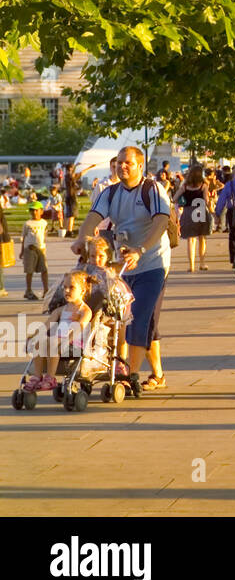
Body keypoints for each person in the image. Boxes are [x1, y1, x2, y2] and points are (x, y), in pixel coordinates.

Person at [72, 145, 172, 396]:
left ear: (140, 166)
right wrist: (81, 238)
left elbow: (162, 222)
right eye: (119, 162)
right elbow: (93, 218)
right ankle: (158, 374)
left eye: (128, 163)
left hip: (154, 262)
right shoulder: (110, 193)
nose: (122, 166)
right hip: (123, 264)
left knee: (137, 316)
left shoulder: (153, 189)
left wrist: (141, 249)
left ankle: (130, 375)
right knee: (138, 317)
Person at [25, 270, 94, 391]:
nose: (66, 291)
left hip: (74, 343)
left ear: (82, 291)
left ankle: (50, 378)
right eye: (64, 287)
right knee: (39, 342)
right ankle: (37, 376)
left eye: (71, 288)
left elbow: (80, 327)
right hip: (57, 340)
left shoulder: (85, 311)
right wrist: (35, 335)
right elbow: (47, 325)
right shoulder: (61, 310)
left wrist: (67, 340)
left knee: (52, 342)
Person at [174, 165, 212, 272]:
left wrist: (181, 205)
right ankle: (202, 263)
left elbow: (174, 198)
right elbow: (206, 200)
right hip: (200, 211)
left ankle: (191, 266)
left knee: (191, 240)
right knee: (202, 238)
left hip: (188, 212)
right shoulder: (204, 185)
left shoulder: (185, 186)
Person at [20, 203, 50, 300]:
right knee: (29, 270)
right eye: (32, 210)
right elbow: (24, 237)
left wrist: (44, 247)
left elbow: (44, 236)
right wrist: (22, 251)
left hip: (41, 248)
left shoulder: (44, 223)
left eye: (36, 210)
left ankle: (46, 290)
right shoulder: (27, 223)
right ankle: (28, 290)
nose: (34, 212)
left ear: (41, 211)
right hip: (29, 249)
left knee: (44, 270)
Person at [62, 163, 84, 238]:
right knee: (72, 215)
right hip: (71, 197)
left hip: (69, 197)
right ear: (70, 169)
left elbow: (78, 173)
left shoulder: (67, 176)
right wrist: (76, 166)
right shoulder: (69, 176)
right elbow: (78, 174)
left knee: (69, 215)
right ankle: (69, 231)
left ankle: (66, 229)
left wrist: (76, 166)